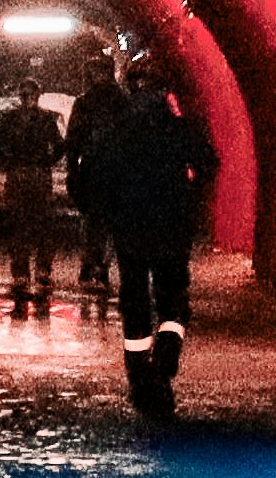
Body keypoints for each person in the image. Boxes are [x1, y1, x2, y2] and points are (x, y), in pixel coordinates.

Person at [71, 54, 217, 418]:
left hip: (130, 226)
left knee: (134, 297)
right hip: (171, 225)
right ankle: (166, 356)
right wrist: (188, 193)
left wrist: (102, 209)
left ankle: (139, 376)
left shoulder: (116, 129)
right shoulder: (178, 128)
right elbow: (208, 162)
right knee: (172, 296)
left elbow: (91, 171)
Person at [0, 76, 69, 316]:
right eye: (25, 95)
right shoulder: (36, 119)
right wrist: (43, 161)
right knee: (27, 223)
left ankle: (35, 271)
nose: (28, 99)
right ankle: (29, 271)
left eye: (30, 94)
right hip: (29, 173)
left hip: (29, 173)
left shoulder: (24, 119)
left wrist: (42, 161)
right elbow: (58, 146)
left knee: (34, 223)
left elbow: (58, 145)